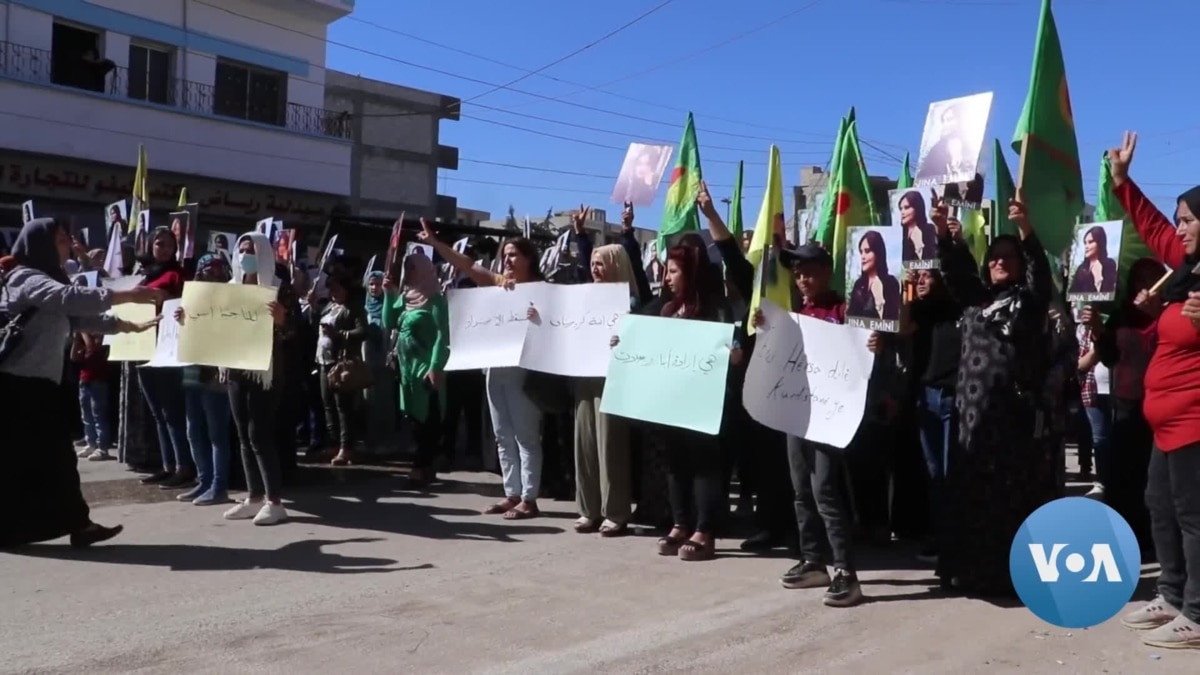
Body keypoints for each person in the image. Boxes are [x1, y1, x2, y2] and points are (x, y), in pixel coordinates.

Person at [0, 218, 161, 548]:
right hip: (17, 387)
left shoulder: (45, 278)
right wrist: (125, 294)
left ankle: (76, 524)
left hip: (37, 385)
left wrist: (127, 326)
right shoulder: (26, 277)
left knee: (47, 460)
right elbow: (66, 298)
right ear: (41, 244)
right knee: (35, 460)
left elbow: (77, 316)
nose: (67, 246)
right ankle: (71, 525)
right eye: (60, 240)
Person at [939, 195, 1062, 597]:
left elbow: (1040, 278)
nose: (1000, 262)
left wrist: (1025, 229)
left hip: (1013, 419)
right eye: (994, 257)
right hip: (973, 419)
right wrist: (943, 232)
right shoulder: (977, 301)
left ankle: (1014, 575)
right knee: (972, 494)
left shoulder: (1026, 303)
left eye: (1009, 257)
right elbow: (956, 273)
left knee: (1010, 497)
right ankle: (971, 571)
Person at [1105, 132, 1200, 649]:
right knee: (1158, 505)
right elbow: (1154, 227)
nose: (1178, 229)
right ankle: (1172, 593)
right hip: (1164, 423)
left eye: (1188, 219)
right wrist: (1122, 182)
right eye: (1180, 218)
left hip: (1194, 422)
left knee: (1193, 516)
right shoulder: (1186, 273)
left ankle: (1199, 614)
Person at [419, 218, 545, 520]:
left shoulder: (543, 290)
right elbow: (468, 266)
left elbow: (559, 324)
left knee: (525, 435)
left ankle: (530, 497)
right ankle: (511, 493)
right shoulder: (500, 286)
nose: (508, 260)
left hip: (524, 370)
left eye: (514, 254)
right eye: (506, 255)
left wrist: (539, 314)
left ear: (529, 258)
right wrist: (437, 244)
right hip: (495, 368)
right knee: (502, 433)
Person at [569, 203, 647, 537]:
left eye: (602, 264)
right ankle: (587, 508)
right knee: (583, 442)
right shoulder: (588, 298)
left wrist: (628, 230)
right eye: (592, 264)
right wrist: (581, 236)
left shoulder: (630, 302)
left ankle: (615, 511)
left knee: (609, 445)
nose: (596, 269)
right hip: (584, 376)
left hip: (613, 379)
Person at [219, 233, 295, 526]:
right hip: (236, 369)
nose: (245, 255)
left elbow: (294, 331)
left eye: (250, 250)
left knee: (259, 434)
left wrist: (282, 319)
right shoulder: (230, 289)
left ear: (263, 253)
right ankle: (253, 497)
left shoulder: (278, 289)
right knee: (242, 433)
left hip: (265, 370)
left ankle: (274, 501)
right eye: (241, 250)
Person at [382, 254, 449, 486]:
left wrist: (435, 366)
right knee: (413, 416)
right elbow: (389, 322)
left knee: (427, 418)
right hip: (405, 367)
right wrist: (389, 294)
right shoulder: (406, 297)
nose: (408, 272)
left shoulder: (436, 300)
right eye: (406, 267)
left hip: (424, 366)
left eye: (411, 268)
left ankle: (422, 465)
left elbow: (442, 335)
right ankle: (423, 465)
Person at [135, 228, 193, 490]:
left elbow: (187, 305)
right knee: (157, 411)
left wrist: (167, 299)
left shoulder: (178, 274)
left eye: (169, 244)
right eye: (159, 244)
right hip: (142, 345)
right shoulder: (143, 274)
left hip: (167, 347)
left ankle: (183, 467)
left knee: (172, 412)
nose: (164, 248)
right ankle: (167, 465)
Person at [175, 253, 234, 506]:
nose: (214, 274)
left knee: (216, 433)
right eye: (208, 269)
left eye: (218, 270)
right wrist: (181, 319)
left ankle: (219, 486)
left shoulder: (232, 299)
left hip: (216, 373)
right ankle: (204, 480)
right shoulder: (193, 298)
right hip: (193, 369)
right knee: (193, 429)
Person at [316, 271, 367, 466]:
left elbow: (363, 331)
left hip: (341, 362)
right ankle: (333, 442)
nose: (333, 293)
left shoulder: (353, 308)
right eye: (331, 289)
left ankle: (346, 447)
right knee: (327, 404)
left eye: (337, 289)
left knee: (342, 406)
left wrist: (340, 334)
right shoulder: (329, 306)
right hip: (324, 360)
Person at [847, 230, 902, 321]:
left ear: (878, 252)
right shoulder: (858, 284)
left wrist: (879, 299)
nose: (863, 257)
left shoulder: (891, 283)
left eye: (867, 251)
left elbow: (892, 320)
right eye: (861, 252)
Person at [1069, 226, 1119, 295]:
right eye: (1085, 243)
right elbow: (1072, 293)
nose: (1086, 246)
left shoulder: (1109, 264)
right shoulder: (1081, 268)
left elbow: (1108, 293)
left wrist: (1098, 277)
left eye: (1090, 242)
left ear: (1100, 243)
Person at [897, 190, 938, 264]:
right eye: (901, 209)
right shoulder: (903, 235)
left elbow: (933, 259)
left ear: (917, 208)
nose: (902, 212)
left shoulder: (928, 229)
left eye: (907, 207)